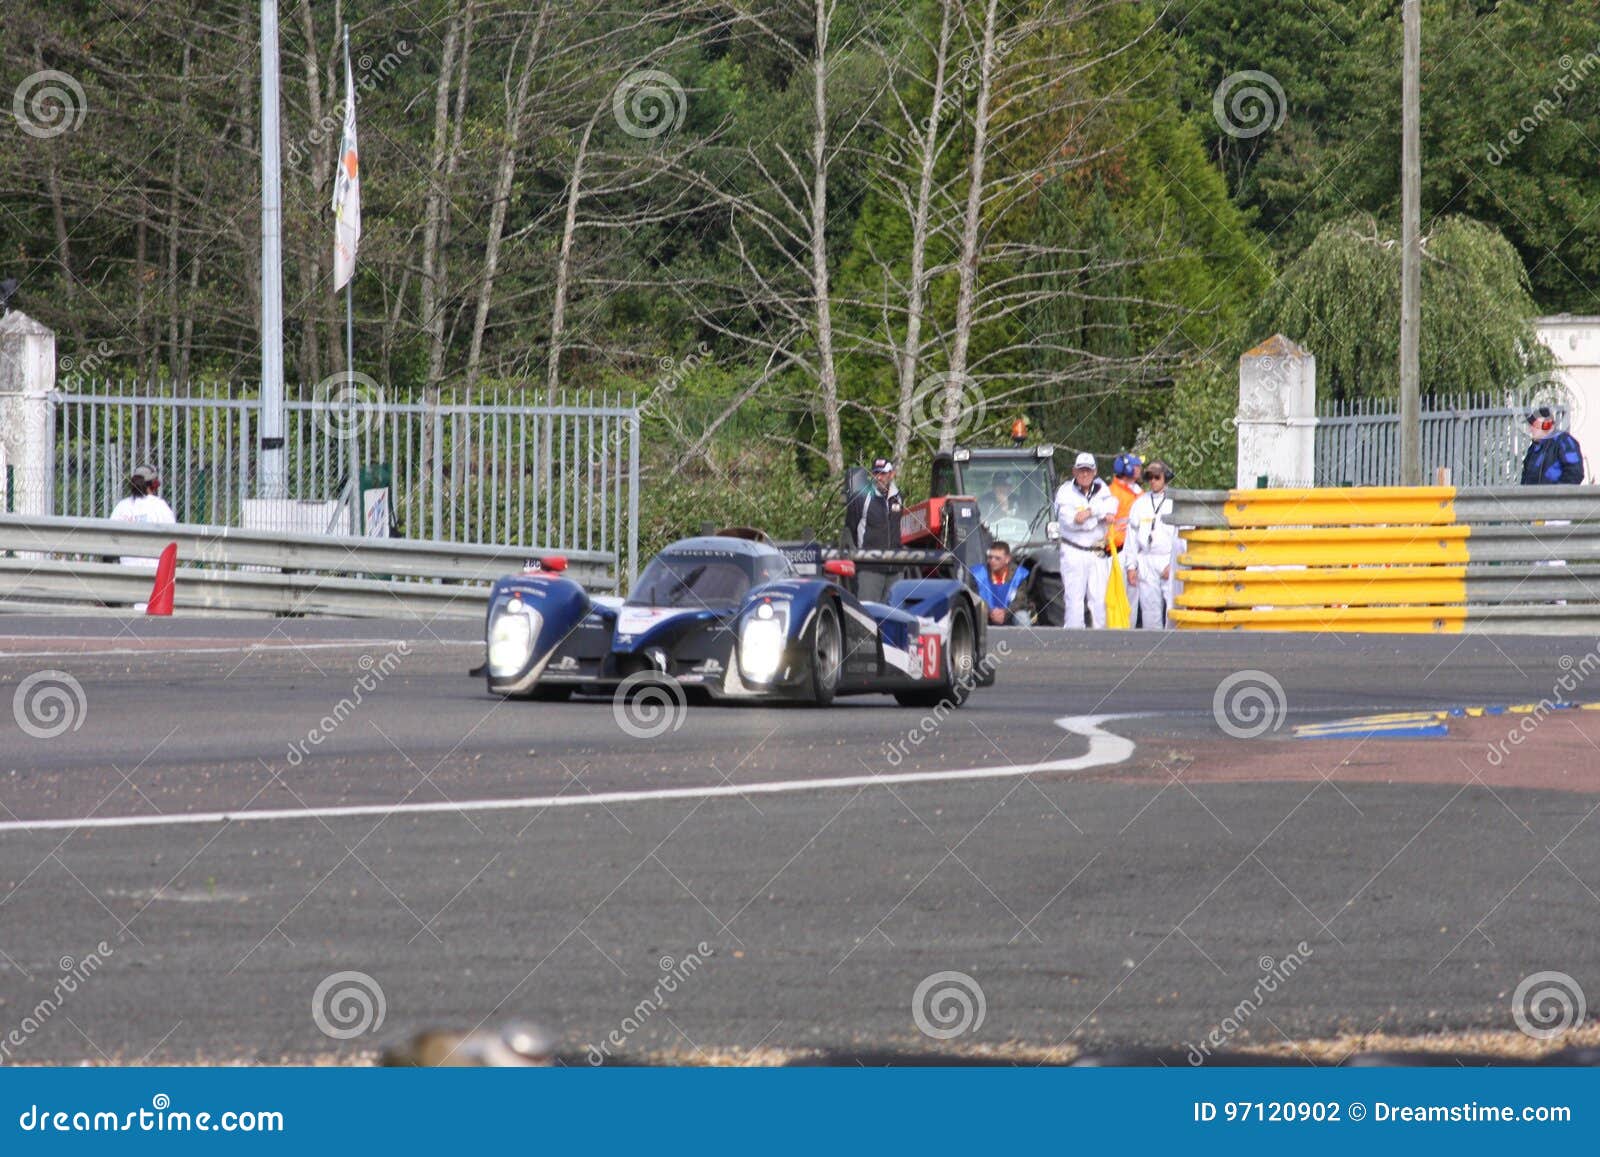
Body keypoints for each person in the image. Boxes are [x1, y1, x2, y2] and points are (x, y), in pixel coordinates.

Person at [1054, 451, 1118, 628]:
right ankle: (1073, 641)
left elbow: (1112, 505)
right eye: (1081, 470)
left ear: (1094, 472)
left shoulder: (1101, 488)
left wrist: (1089, 513)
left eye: (1088, 471)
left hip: (1097, 550)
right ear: (1074, 471)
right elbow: (1072, 522)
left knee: (1099, 600)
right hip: (1073, 550)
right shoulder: (1065, 492)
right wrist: (1098, 515)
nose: (1084, 474)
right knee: (1074, 600)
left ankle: (1100, 642)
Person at [1124, 459, 1178, 630]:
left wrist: (1174, 563)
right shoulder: (1140, 503)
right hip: (1146, 560)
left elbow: (1181, 538)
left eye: (1157, 477)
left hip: (1167, 559)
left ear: (1166, 478)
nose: (1153, 481)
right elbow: (1131, 538)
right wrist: (1131, 566)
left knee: (1173, 607)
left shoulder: (1175, 502)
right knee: (1149, 610)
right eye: (1150, 477)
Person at [845, 456, 905, 602]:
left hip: (895, 569)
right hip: (869, 569)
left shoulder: (899, 497)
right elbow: (850, 529)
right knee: (868, 614)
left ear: (892, 474)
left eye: (883, 473)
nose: (879, 477)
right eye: (876, 473)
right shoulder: (861, 497)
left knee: (895, 614)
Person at [109, 463, 176, 567]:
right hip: (155, 570)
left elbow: (111, 538)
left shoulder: (121, 506)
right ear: (153, 485)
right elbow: (173, 536)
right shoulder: (160, 506)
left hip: (126, 569)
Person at [971, 540, 1031, 627]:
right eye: (990, 557)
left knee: (1023, 617)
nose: (992, 561)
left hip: (1010, 614)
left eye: (997, 558)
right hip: (985, 614)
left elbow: (1020, 601)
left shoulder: (1019, 575)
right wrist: (990, 612)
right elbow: (975, 598)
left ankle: (1024, 640)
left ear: (1007, 559)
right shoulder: (978, 573)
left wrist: (1005, 612)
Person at [1521, 406, 1584, 485]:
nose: (1531, 429)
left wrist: (1557, 494)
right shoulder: (1533, 448)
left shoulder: (1564, 441)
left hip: (1555, 496)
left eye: (1535, 424)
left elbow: (1575, 473)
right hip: (1534, 497)